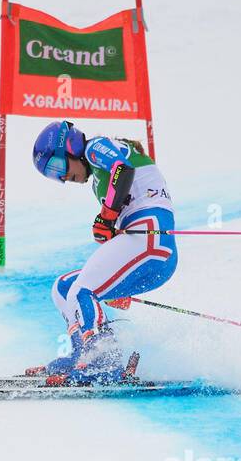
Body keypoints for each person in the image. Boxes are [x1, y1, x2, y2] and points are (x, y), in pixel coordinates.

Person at [30, 121, 177, 382]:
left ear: (71, 147)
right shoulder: (98, 178)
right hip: (145, 246)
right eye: (53, 175)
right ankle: (83, 354)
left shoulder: (95, 147)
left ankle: (101, 359)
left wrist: (107, 217)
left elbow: (123, 169)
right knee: (64, 287)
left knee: (82, 290)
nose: (62, 177)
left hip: (152, 238)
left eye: (57, 167)